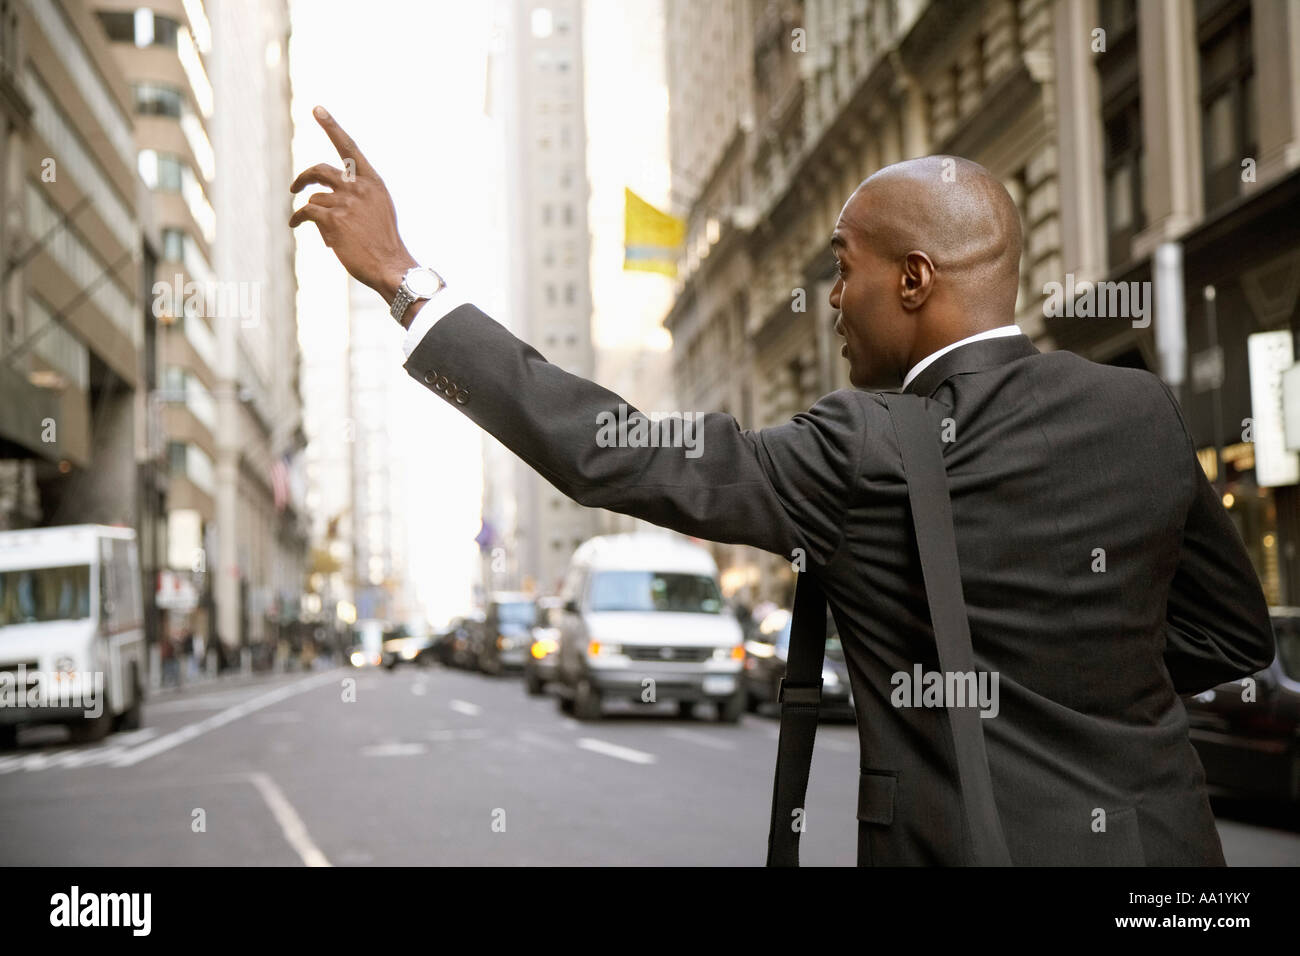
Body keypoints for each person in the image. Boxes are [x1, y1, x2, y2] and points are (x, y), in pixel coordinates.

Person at [290, 106, 1275, 865]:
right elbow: (1233, 636)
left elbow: (612, 448)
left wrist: (409, 283)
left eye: (844, 270)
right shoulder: (1139, 409)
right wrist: (1076, 683)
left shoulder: (858, 444)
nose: (833, 299)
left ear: (916, 279)